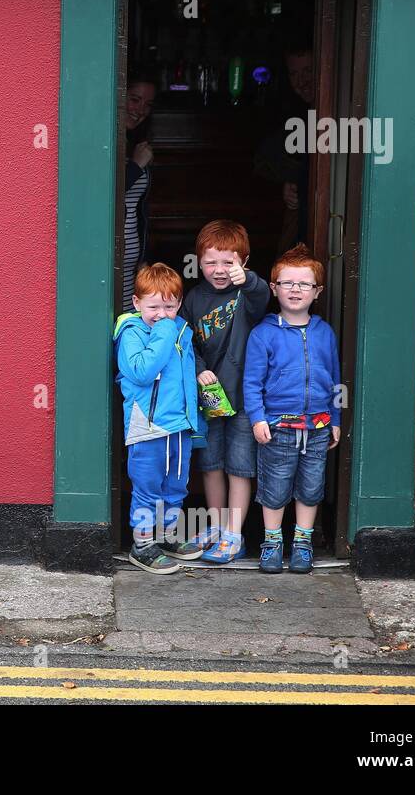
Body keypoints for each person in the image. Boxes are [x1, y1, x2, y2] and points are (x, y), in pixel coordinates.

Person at [243, 244, 342, 575]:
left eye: (305, 284)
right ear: (274, 288)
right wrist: (257, 419)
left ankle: (303, 542)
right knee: (274, 487)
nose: (296, 290)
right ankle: (272, 542)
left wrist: (336, 419)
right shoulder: (263, 334)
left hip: (318, 427)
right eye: (288, 283)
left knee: (311, 487)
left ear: (318, 291)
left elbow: (335, 381)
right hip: (278, 427)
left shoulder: (324, 333)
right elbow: (252, 383)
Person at [179, 220, 271, 563]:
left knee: (239, 467)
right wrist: (200, 368)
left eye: (228, 262)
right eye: (210, 261)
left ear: (243, 262)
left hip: (245, 396)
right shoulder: (194, 297)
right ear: (199, 261)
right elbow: (186, 342)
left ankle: (235, 534)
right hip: (210, 397)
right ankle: (216, 526)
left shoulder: (246, 294)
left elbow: (262, 295)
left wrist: (246, 281)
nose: (219, 270)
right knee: (211, 464)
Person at [112, 263, 207, 574]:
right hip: (148, 426)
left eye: (170, 306)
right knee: (147, 487)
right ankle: (142, 545)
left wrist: (195, 420)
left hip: (179, 425)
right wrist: (165, 331)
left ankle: (165, 536)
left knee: (176, 486)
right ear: (137, 303)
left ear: (179, 303)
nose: (162, 314)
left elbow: (185, 381)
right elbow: (141, 370)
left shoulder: (181, 330)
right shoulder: (132, 332)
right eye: (154, 306)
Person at [254, 45, 315, 255]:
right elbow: (263, 160)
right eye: (294, 74)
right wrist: (288, 181)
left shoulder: (343, 109)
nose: (302, 81)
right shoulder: (292, 113)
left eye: (308, 71)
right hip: (303, 227)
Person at [121, 76, 157, 307]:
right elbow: (100, 197)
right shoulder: (100, 142)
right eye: (135, 99)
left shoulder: (133, 141)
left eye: (148, 104)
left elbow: (137, 210)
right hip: (107, 260)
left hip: (132, 265)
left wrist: (142, 257)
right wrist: (135, 166)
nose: (140, 110)